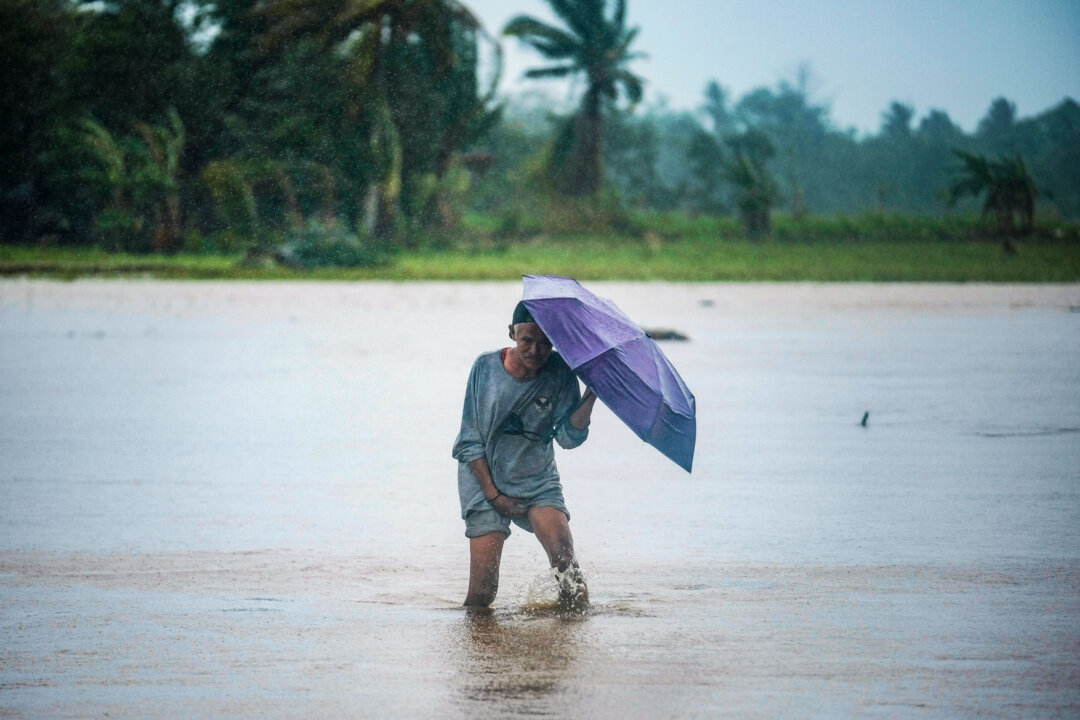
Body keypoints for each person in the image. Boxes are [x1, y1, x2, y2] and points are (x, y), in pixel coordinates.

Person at [452, 301, 597, 610]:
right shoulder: (485, 368)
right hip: (483, 479)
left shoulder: (561, 372)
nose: (535, 350)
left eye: (545, 342)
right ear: (511, 333)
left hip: (537, 480)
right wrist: (494, 496)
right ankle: (477, 655)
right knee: (483, 594)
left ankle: (568, 645)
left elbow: (568, 439)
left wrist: (592, 394)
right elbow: (468, 442)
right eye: (527, 340)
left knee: (568, 573)